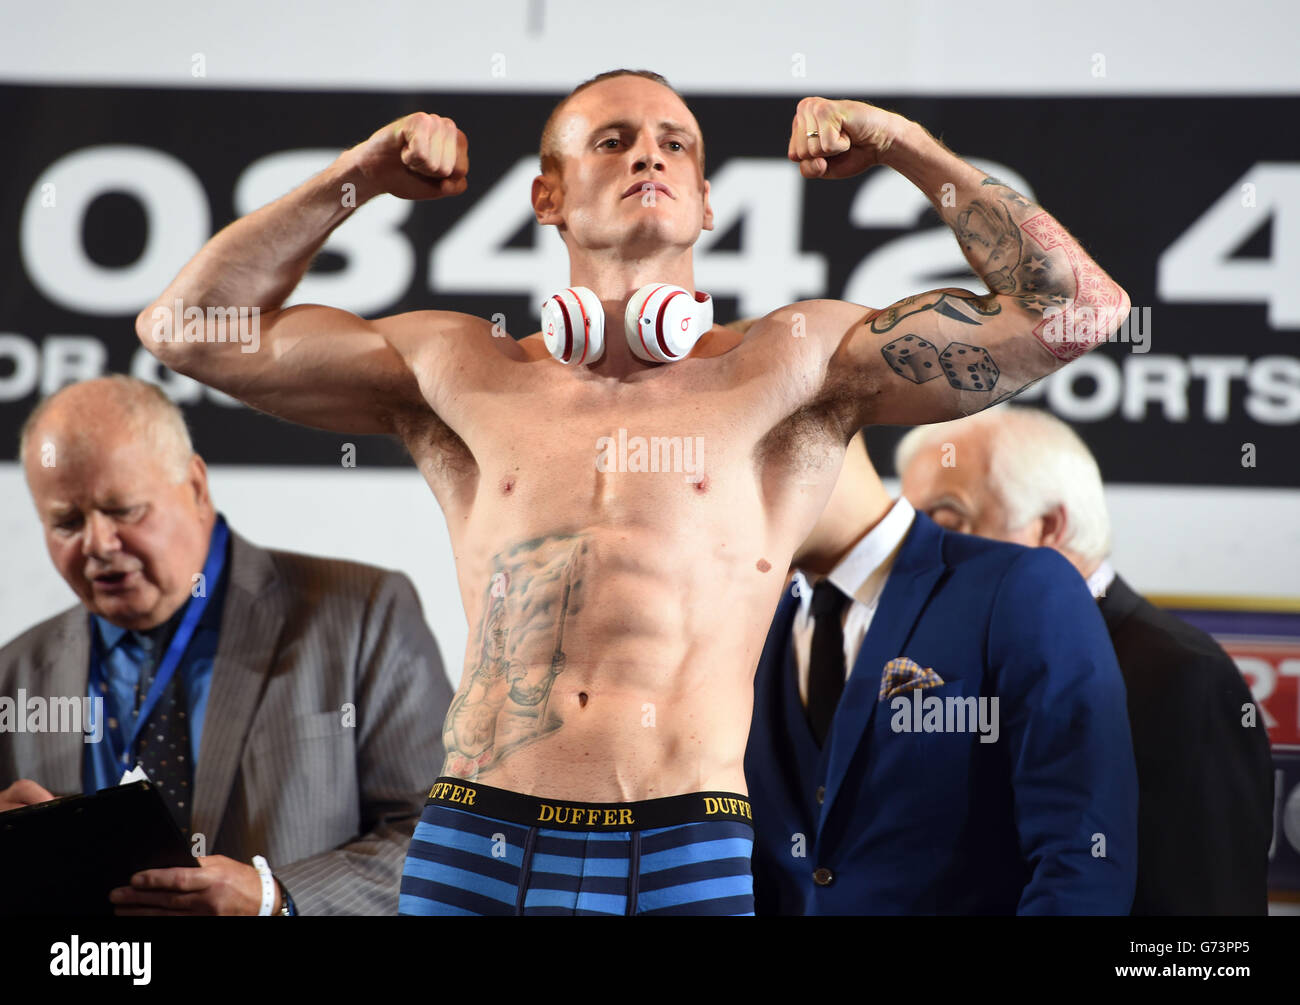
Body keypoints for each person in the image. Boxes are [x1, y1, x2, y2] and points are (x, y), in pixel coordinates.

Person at [133, 68, 1131, 916]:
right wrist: (358, 179)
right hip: (471, 841)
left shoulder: (798, 366)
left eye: (675, 145)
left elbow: (1075, 312)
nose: (648, 156)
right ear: (548, 198)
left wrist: (907, 146)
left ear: (705, 204)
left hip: (679, 849)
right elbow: (185, 330)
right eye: (611, 141)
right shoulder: (455, 367)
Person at [0, 375, 452, 915]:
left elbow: (439, 840)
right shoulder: (15, 671)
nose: (98, 544)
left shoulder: (363, 615)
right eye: (66, 522)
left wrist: (274, 899)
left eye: (124, 510)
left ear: (195, 486)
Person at [896, 404, 1274, 914]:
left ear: (1050, 526)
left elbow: (1203, 933)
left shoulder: (1181, 679)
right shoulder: (943, 665)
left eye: (946, 522)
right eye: (909, 530)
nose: (915, 557)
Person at [744, 431, 1136, 914]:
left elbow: (1082, 855)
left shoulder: (1020, 587)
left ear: (808, 442)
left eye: (708, 477)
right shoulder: (751, 625)